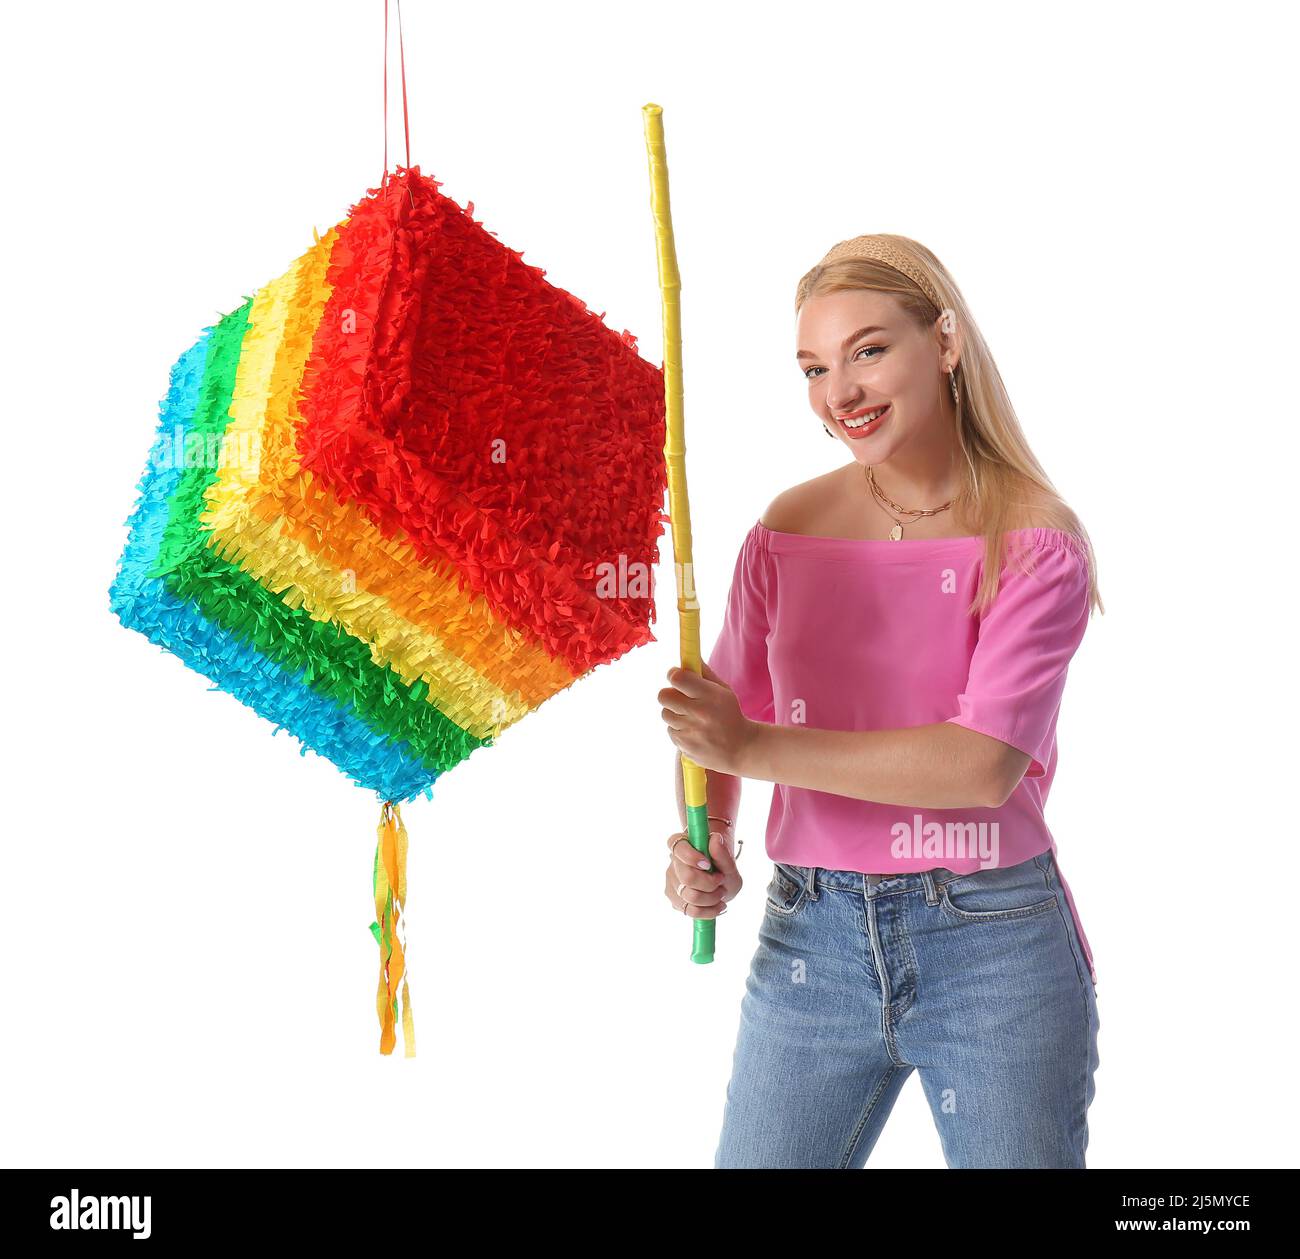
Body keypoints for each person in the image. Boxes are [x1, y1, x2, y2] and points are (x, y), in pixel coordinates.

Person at [658, 234, 1103, 1169]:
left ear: (943, 341)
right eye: (814, 368)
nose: (839, 394)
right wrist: (713, 839)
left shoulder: (1034, 539)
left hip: (992, 945)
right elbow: (720, 717)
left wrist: (752, 747)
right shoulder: (785, 529)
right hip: (808, 935)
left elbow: (981, 765)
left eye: (868, 351)